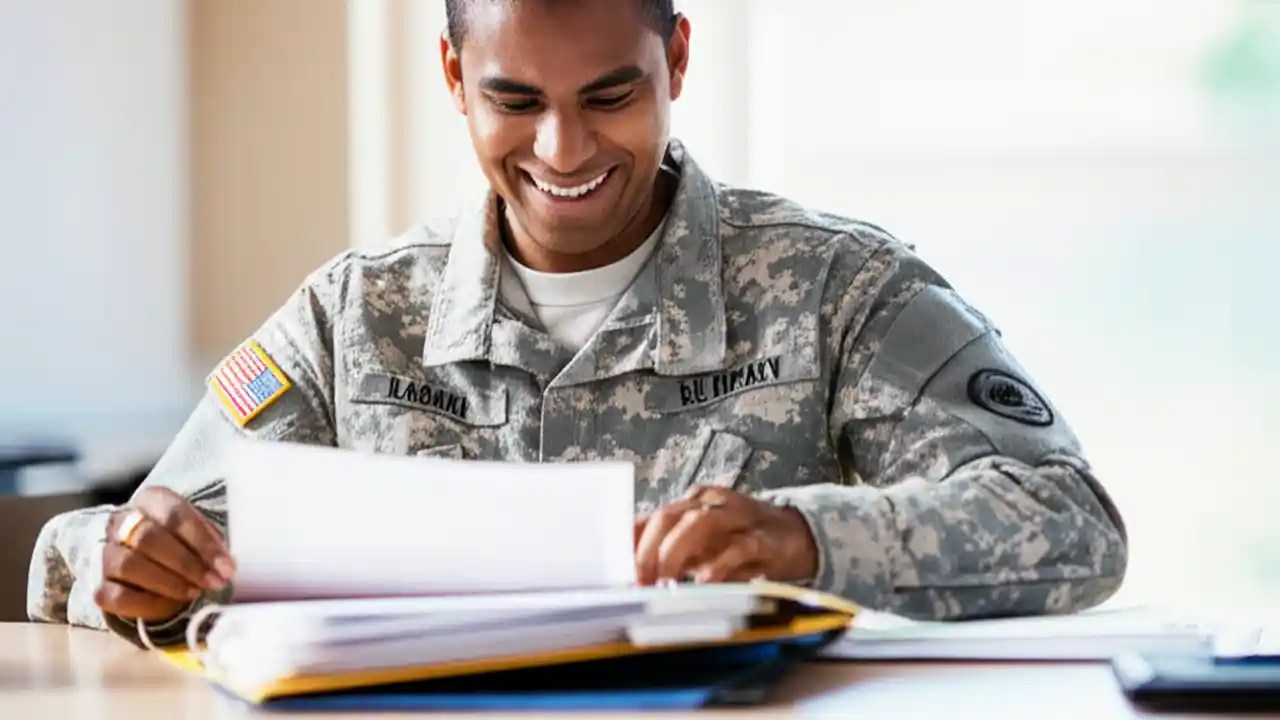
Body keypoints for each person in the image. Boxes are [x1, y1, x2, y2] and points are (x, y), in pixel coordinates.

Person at [28, 0, 1127, 648]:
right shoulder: (355, 317)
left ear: (677, 62)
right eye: (515, 101)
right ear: (454, 77)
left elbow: (1067, 518)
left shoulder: (834, 286)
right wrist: (125, 557)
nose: (562, 152)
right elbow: (96, 551)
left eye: (609, 97)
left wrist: (804, 541)